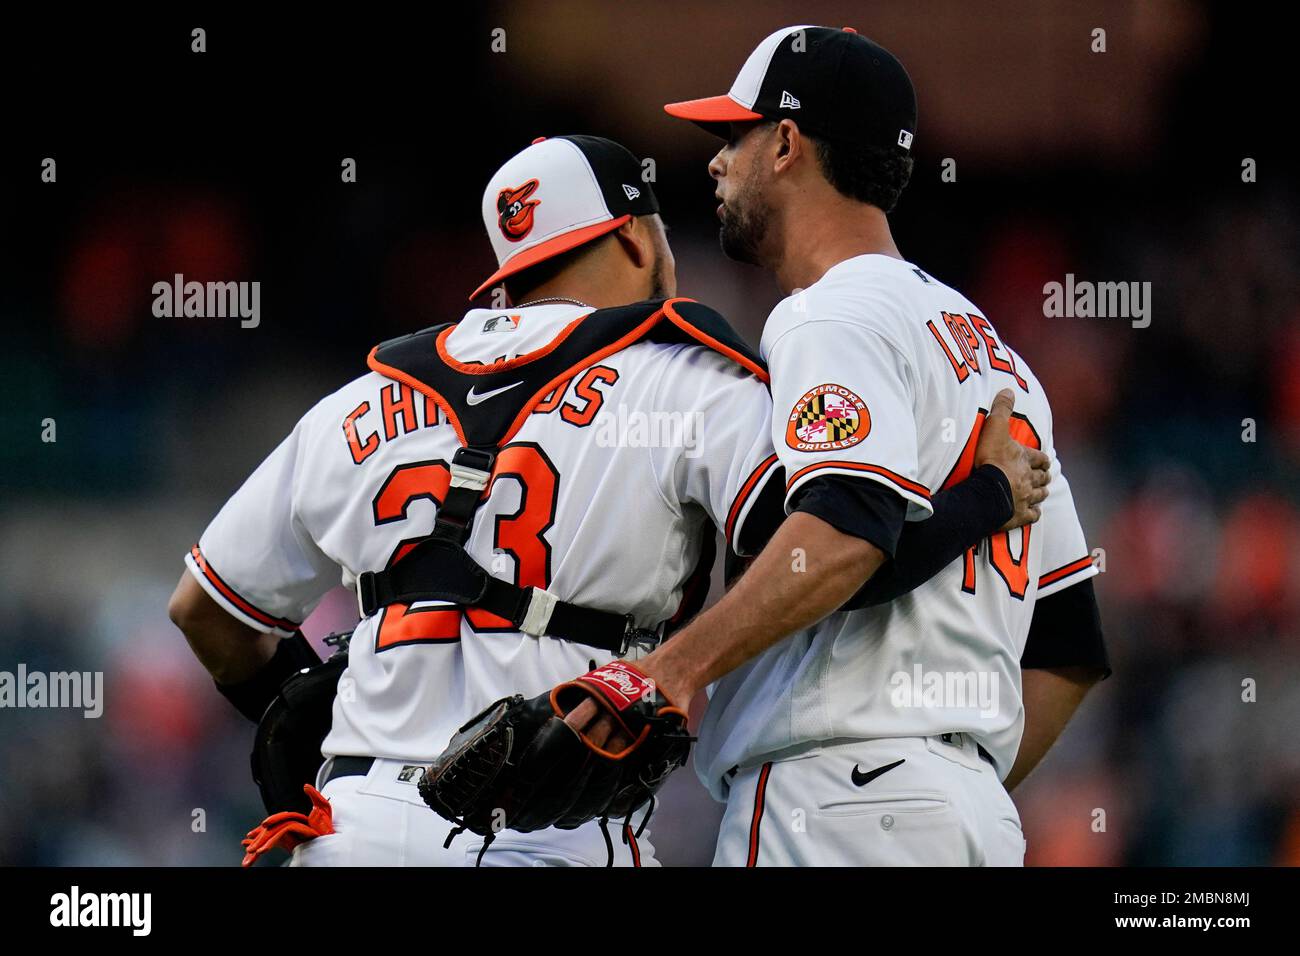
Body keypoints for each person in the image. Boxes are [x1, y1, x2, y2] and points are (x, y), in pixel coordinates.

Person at [168, 132, 1047, 868]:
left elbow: (204, 611)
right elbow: (833, 559)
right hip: (545, 833)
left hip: (348, 830)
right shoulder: (694, 381)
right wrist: (984, 496)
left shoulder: (358, 400)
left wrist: (309, 694)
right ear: (635, 240)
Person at [559, 26, 1110, 867]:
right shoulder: (998, 357)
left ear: (785, 144)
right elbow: (1071, 648)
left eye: (732, 137)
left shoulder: (832, 313)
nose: (715, 163)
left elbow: (845, 532)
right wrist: (954, 792)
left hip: (834, 796)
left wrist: (671, 671)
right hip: (972, 819)